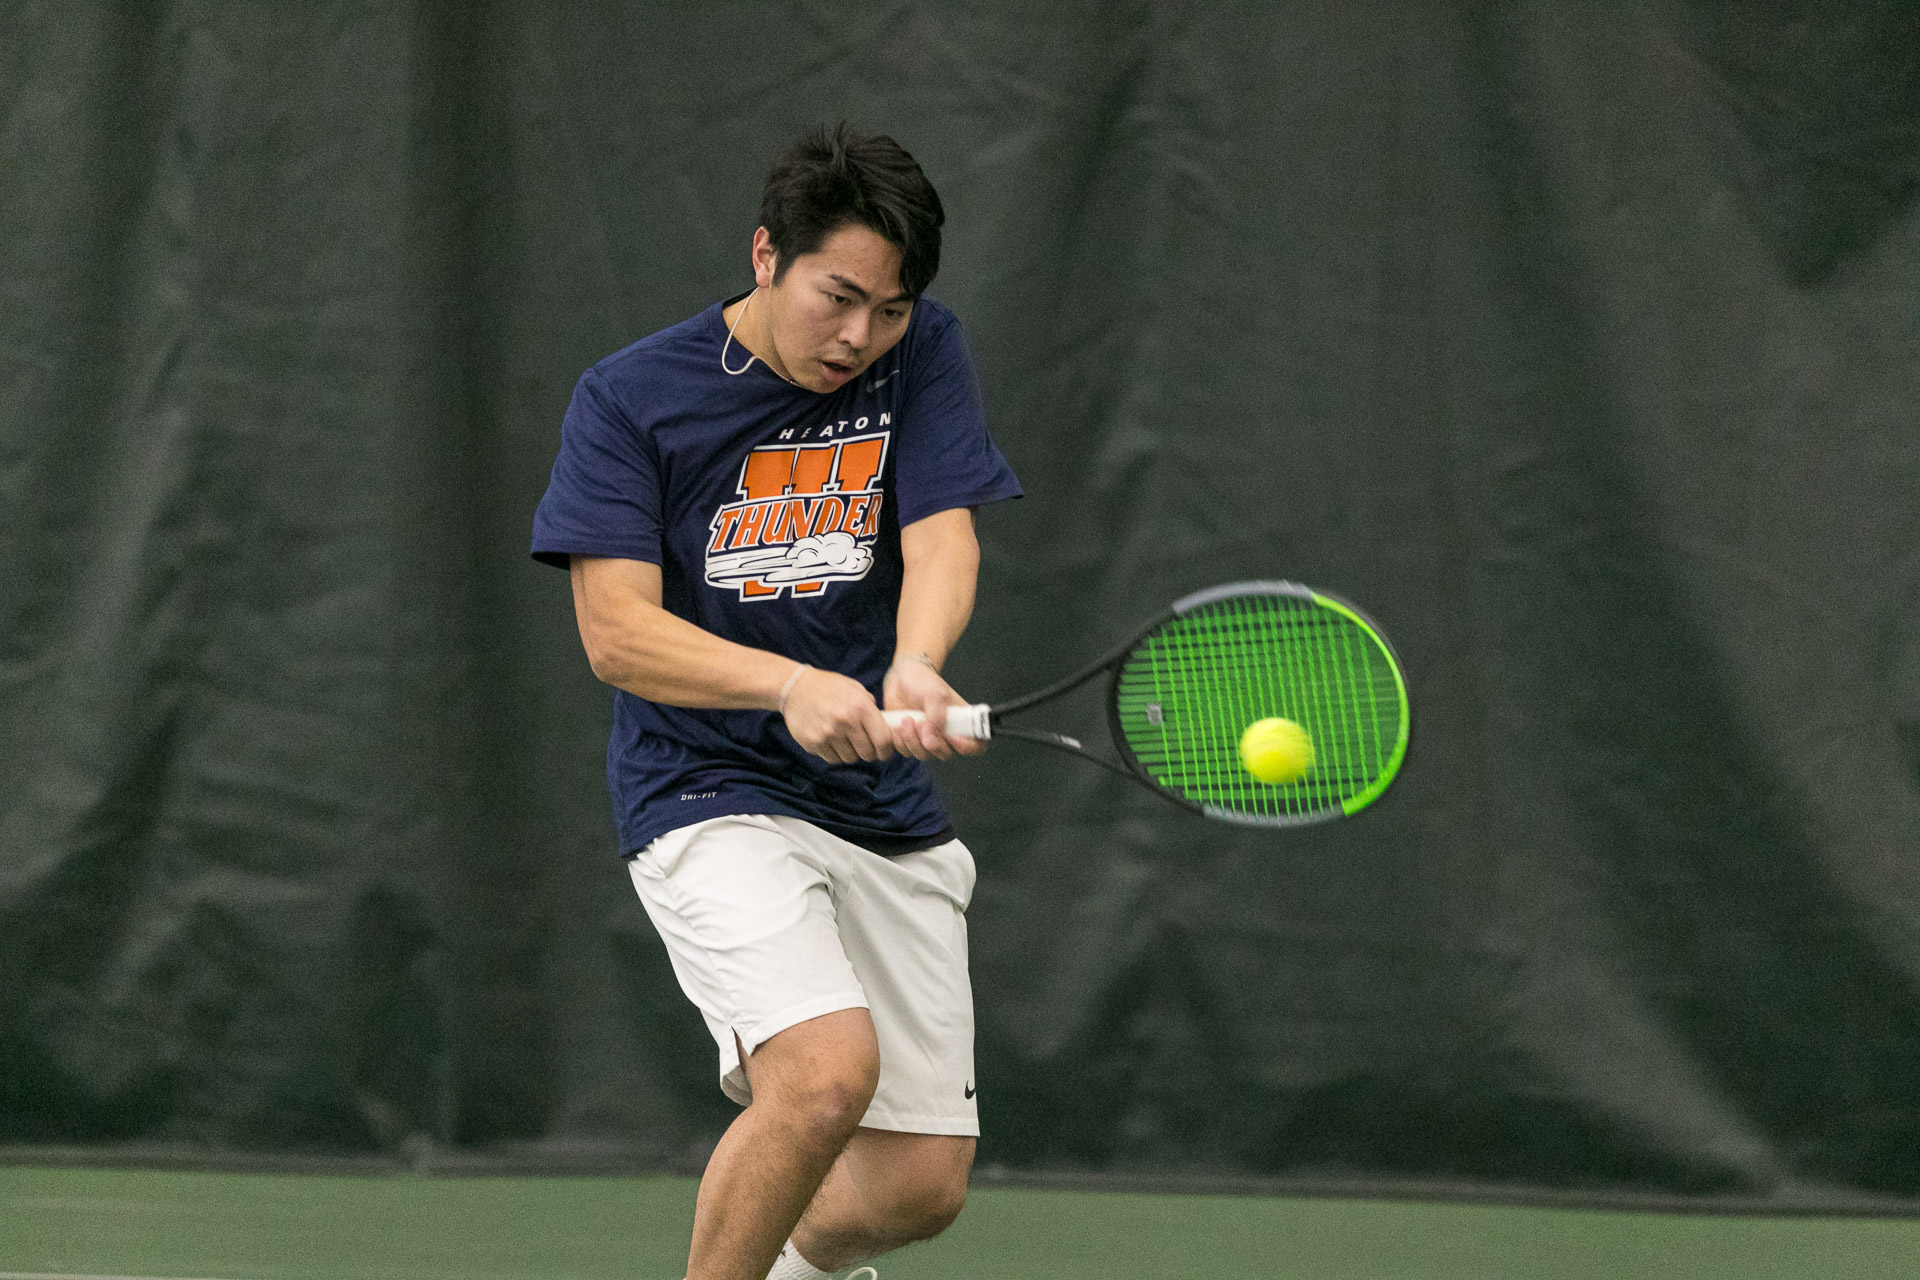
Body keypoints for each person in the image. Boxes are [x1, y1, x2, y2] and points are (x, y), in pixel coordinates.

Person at [531, 123, 1021, 1280]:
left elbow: (942, 531)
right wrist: (789, 683)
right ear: (766, 255)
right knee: (824, 1073)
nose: (861, 335)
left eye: (889, 309)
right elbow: (617, 635)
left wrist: (914, 657)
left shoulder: (922, 354)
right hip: (707, 790)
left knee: (913, 1185)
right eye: (838, 297)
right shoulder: (628, 398)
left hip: (878, 803)